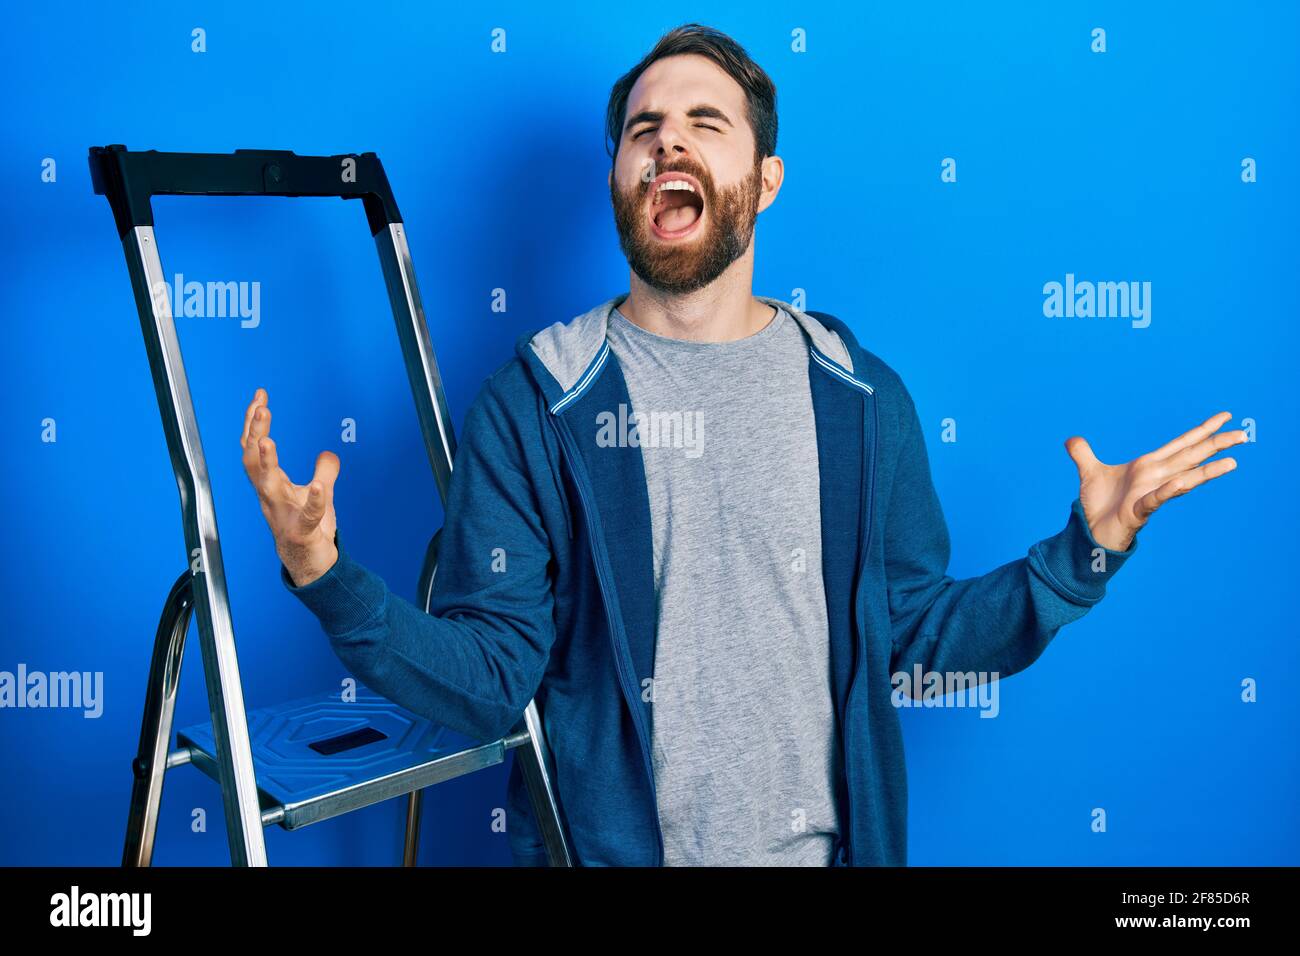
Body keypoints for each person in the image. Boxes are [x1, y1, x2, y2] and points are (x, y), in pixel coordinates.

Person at [239, 23, 1245, 866]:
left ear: (762, 180)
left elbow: (914, 636)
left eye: (702, 125)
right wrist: (322, 571)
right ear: (619, 179)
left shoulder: (858, 397)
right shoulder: (535, 403)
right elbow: (490, 677)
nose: (666, 144)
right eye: (643, 130)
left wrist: (1085, 551)